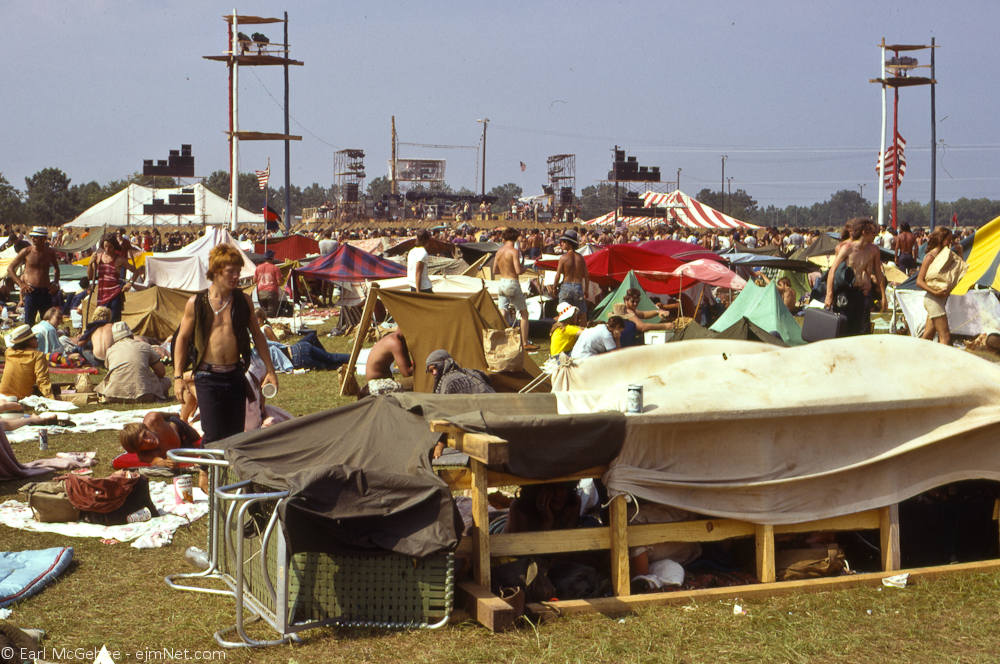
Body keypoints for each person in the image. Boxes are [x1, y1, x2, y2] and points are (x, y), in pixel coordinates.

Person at [174, 244, 278, 444]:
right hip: (207, 376)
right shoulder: (196, 303)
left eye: (238, 271)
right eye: (231, 272)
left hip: (235, 375)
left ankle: (230, 475)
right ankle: (207, 475)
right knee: (213, 435)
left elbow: (258, 336)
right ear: (216, 272)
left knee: (235, 436)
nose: (236, 276)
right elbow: (182, 338)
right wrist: (178, 376)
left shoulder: (243, 301)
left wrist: (271, 371)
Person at [824, 217, 886, 336]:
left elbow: (879, 273)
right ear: (864, 232)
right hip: (845, 292)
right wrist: (829, 295)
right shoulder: (847, 248)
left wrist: (883, 295)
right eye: (873, 233)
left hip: (861, 292)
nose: (875, 236)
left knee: (862, 330)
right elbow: (832, 271)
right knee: (844, 328)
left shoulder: (874, 250)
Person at [94, 321, 171, 402]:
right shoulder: (145, 346)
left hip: (113, 396)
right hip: (145, 395)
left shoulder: (110, 351)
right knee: (167, 381)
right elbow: (161, 372)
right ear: (130, 334)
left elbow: (110, 373)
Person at [492, 227, 538, 351]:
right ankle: (524, 342)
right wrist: (524, 268)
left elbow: (495, 270)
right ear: (515, 238)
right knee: (524, 313)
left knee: (503, 311)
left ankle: (500, 340)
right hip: (512, 282)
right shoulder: (514, 251)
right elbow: (518, 270)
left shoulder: (499, 251)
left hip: (501, 282)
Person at [7, 227, 60, 325]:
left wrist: (56, 283)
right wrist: (21, 284)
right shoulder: (26, 251)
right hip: (31, 291)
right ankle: (30, 340)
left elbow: (57, 269)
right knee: (29, 323)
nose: (33, 239)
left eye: (36, 237)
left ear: (44, 239)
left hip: (46, 291)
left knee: (48, 322)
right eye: (32, 237)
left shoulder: (50, 252)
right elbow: (10, 268)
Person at [916, 227, 959, 346]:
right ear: (941, 239)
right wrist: (935, 292)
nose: (950, 243)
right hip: (933, 299)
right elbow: (919, 281)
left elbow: (959, 270)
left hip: (939, 299)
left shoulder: (945, 255)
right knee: (945, 336)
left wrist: (959, 251)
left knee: (928, 335)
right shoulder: (930, 257)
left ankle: (916, 356)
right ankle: (944, 363)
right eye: (948, 240)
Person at [118, 411, 202, 468]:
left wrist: (174, 414)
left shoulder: (153, 419)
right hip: (180, 445)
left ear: (146, 428)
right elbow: (157, 462)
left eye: (145, 435)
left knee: (198, 439)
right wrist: (165, 463)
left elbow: (166, 415)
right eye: (142, 443)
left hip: (179, 427)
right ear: (139, 450)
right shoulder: (144, 455)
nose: (148, 440)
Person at [87, 233, 138, 322]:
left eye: (110, 247)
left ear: (114, 246)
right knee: (100, 322)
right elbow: (90, 277)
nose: (107, 249)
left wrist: (130, 283)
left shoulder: (119, 259)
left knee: (114, 322)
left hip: (115, 296)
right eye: (105, 246)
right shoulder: (98, 257)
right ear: (102, 245)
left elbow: (136, 271)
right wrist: (90, 263)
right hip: (101, 295)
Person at [0, 324, 54, 400]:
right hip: (21, 397)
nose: (37, 339)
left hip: (2, 393)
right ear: (28, 341)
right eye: (34, 338)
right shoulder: (37, 355)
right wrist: (51, 398)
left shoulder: (9, 352)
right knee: (56, 389)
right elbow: (42, 380)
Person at [362, 330, 414, 395]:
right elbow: (407, 373)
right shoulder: (395, 342)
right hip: (378, 386)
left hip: (375, 384)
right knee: (416, 383)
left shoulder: (392, 338)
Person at [425, 349, 495, 395]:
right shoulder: (471, 373)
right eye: (431, 371)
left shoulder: (449, 381)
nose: (434, 373)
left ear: (446, 363)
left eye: (435, 368)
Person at [553, 230, 588, 315]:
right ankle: (583, 328)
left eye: (564, 242)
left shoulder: (563, 258)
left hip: (566, 286)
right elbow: (586, 276)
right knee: (581, 314)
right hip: (578, 287)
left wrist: (554, 288)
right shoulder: (581, 258)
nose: (562, 244)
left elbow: (557, 275)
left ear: (569, 243)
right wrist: (586, 290)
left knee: (563, 313)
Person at [254, 250, 282, 317]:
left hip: (260, 292)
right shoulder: (275, 268)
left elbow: (254, 280)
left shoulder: (258, 268)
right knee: (271, 312)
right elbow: (279, 282)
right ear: (272, 258)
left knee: (263, 311)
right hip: (271, 292)